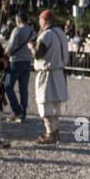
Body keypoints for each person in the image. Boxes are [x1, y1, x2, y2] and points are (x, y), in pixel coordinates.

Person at [31, 11, 69, 145]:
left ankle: (50, 133)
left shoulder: (46, 35)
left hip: (47, 73)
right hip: (59, 72)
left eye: (40, 20)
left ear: (44, 20)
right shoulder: (61, 33)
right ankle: (56, 131)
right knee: (56, 104)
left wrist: (31, 47)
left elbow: (38, 54)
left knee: (45, 103)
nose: (39, 23)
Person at [3, 14, 35, 123]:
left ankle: (17, 110)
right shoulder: (32, 31)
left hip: (15, 62)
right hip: (27, 62)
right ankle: (23, 112)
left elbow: (10, 46)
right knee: (23, 88)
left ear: (18, 20)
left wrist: (4, 53)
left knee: (7, 85)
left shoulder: (17, 30)